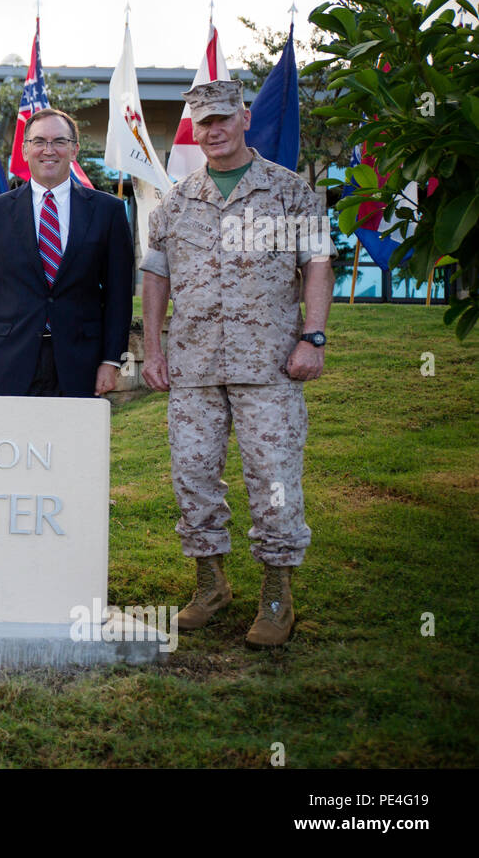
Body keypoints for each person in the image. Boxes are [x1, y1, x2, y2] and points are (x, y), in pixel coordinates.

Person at [140, 79, 333, 649]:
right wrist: (153, 349)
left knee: (273, 480)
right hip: (194, 365)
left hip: (270, 364)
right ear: (192, 129)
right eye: (202, 123)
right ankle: (211, 586)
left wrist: (313, 338)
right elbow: (156, 277)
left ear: (244, 117)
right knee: (193, 476)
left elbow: (317, 265)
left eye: (223, 118)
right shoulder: (175, 202)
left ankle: (277, 595)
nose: (213, 130)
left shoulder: (290, 191)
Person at [0, 108, 134, 398]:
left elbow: (118, 294)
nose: (48, 150)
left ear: (74, 150)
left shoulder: (110, 212)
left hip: (81, 362)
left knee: (72, 444)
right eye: (39, 141)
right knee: (7, 442)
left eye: (59, 141)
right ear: (25, 150)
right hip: (4, 360)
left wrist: (110, 360)